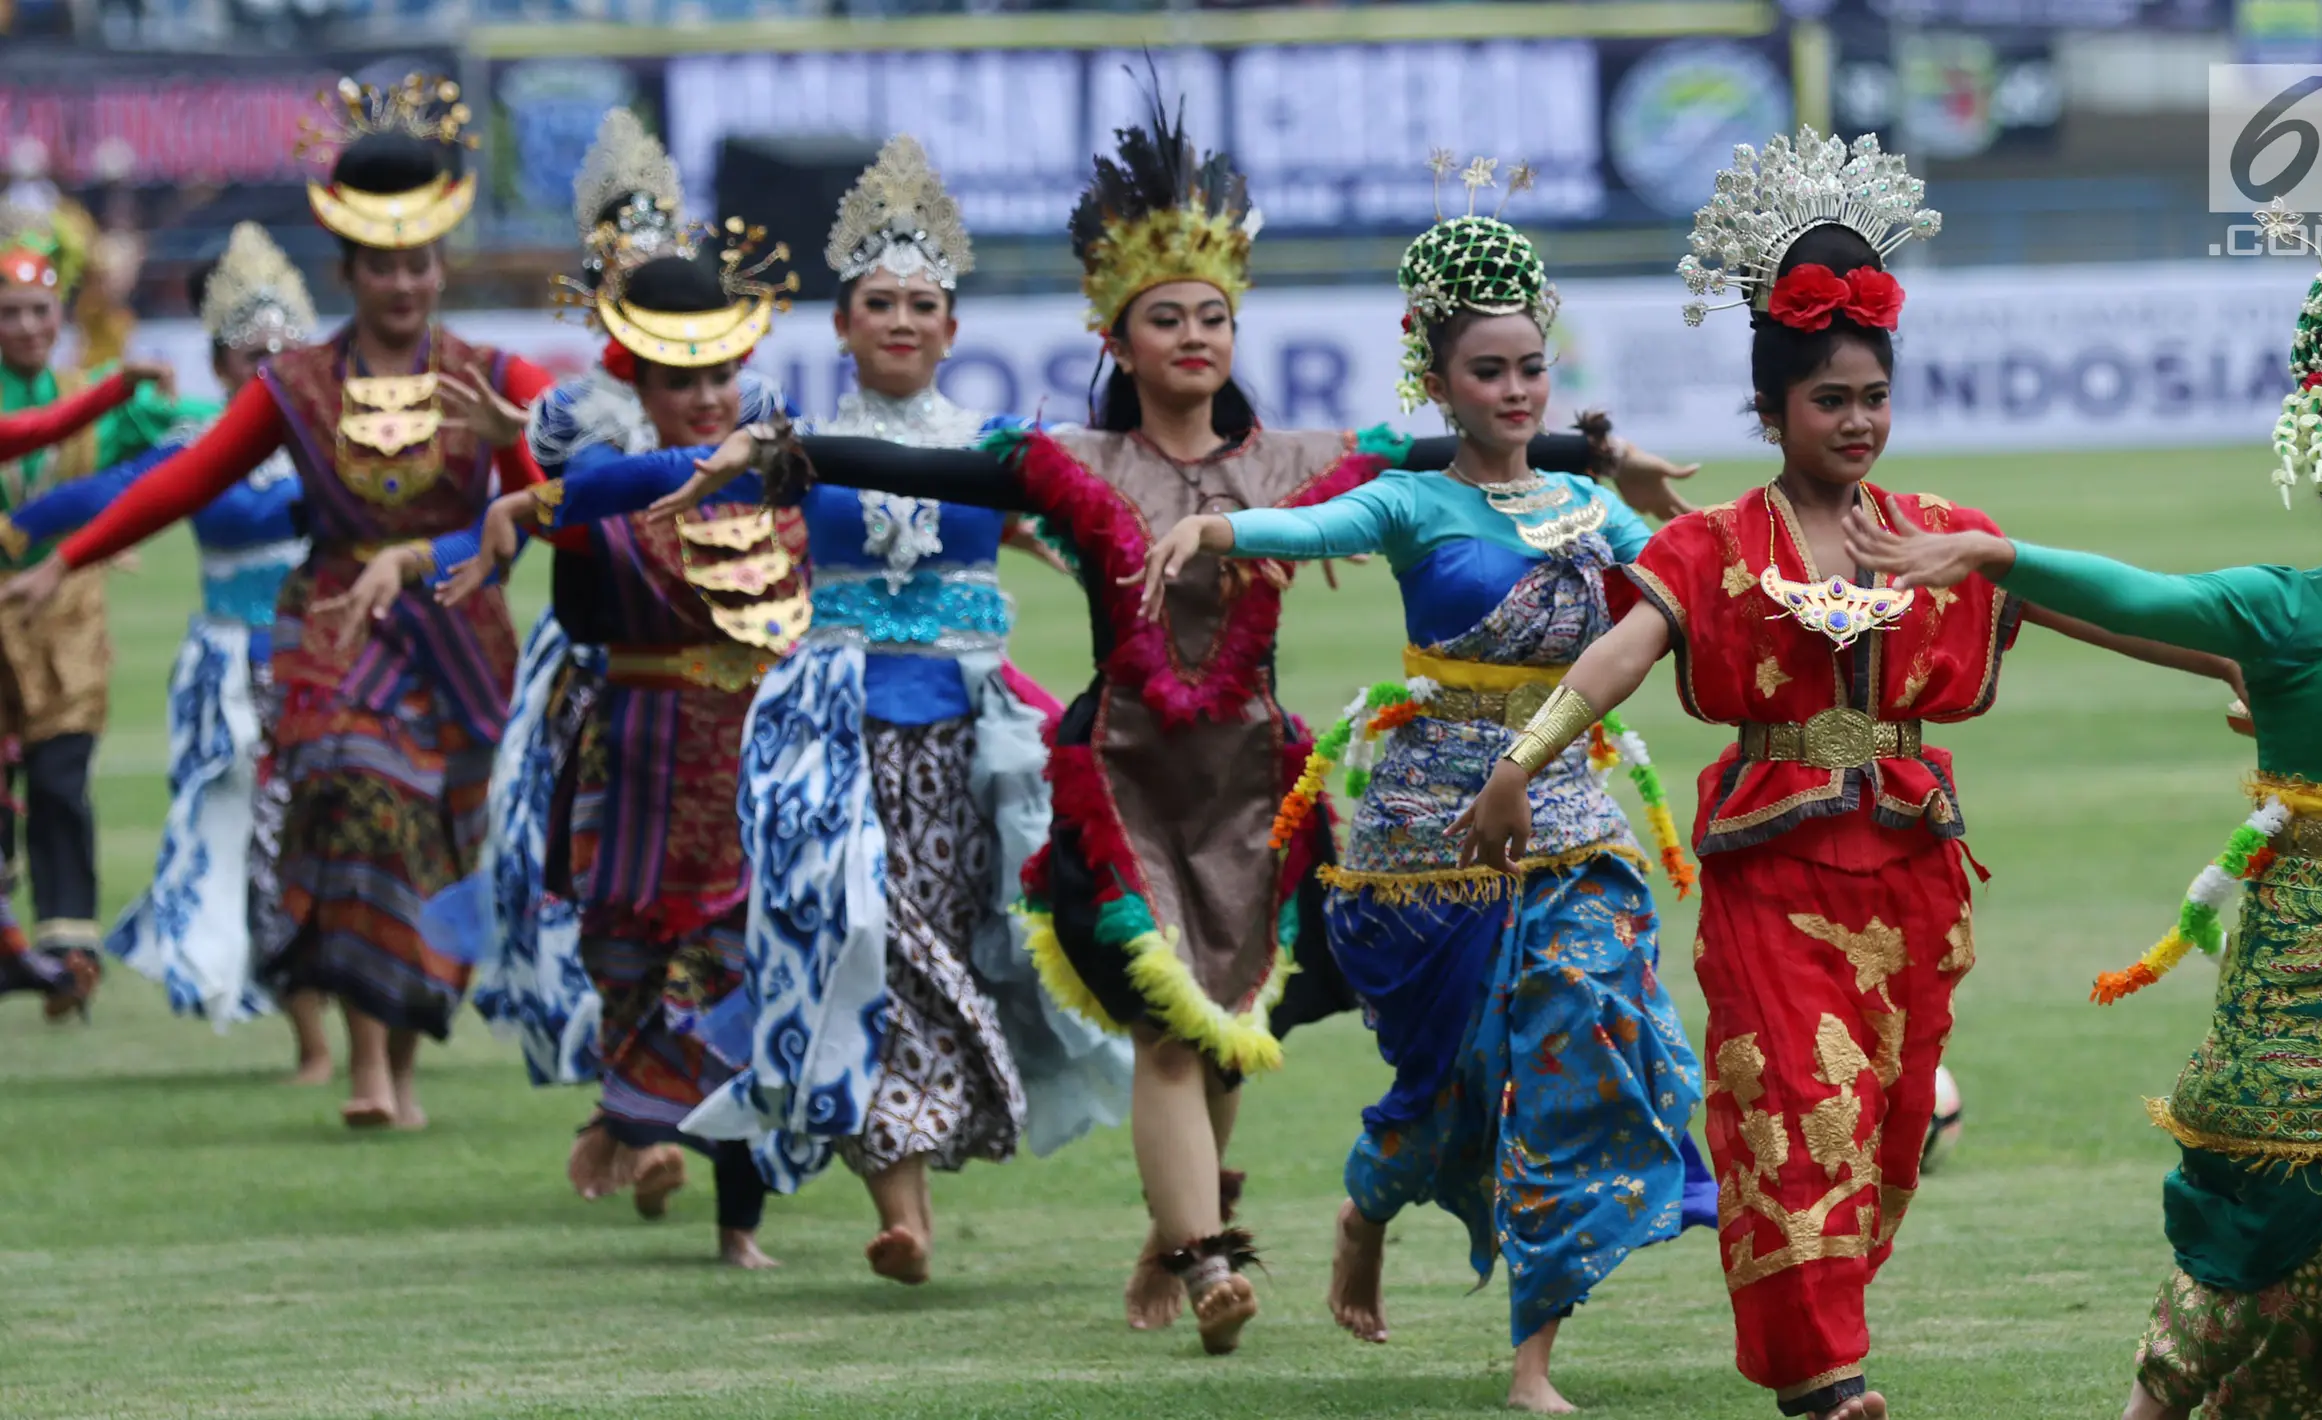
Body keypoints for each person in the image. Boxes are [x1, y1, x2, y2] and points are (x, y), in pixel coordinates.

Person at [653, 100, 1697, 1353]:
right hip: (1130, 773)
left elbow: (1469, 440)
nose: (1193, 335)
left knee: (1232, 1028)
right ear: (1119, 335)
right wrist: (787, 450)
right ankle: (1207, 1257)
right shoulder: (1071, 458)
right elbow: (928, 469)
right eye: (1166, 317)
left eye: (1212, 316)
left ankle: (1174, 1223)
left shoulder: (1301, 462)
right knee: (1166, 1023)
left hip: (1255, 782)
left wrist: (1600, 455)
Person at [1451, 129, 2242, 1420]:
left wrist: (2216, 664)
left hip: (1912, 871)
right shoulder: (1714, 545)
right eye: (1830, 400)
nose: (1858, 421)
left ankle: (1813, 1333)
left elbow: (2081, 604)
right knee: (1787, 1106)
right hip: (1772, 865)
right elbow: (1619, 651)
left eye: (1872, 395)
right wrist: (1517, 763)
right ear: (1771, 409)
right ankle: (1825, 1379)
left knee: (1877, 1126)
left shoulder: (1938, 534)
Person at [452, 134, 1133, 1285]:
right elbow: (661, 476)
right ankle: (896, 1202)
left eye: (924, 302)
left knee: (963, 942)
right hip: (834, 738)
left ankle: (898, 1143)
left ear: (954, 329)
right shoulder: (792, 447)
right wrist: (535, 498)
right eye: (880, 301)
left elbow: (1100, 532)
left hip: (975, 748)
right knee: (855, 937)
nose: (903, 320)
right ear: (843, 323)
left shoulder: (1003, 451)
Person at [1843, 199, 2322, 1420]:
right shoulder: (2282, 612)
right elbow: (2139, 593)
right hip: (2304, 1009)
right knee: (2256, 1295)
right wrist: (1991, 560)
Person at [1135, 163, 1715, 1412]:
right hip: (1429, 822)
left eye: (1529, 369)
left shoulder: (1581, 505)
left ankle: (1531, 1354)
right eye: (1486, 373)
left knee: (1578, 1033)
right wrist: (1211, 531)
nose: (1513, 392)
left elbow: (1687, 583)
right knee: (1450, 1071)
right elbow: (1303, 528)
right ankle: (1369, 1200)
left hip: (1564, 796)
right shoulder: (1409, 500)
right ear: (1438, 382)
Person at [4, 74, 558, 1130]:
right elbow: (184, 479)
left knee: (436, 844)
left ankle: (399, 1055)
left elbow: (557, 496)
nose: (406, 281)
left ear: (441, 264)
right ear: (348, 269)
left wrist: (510, 445)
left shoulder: (494, 373)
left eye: (422, 261)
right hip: (335, 629)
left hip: (457, 631)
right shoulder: (296, 385)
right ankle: (364, 1071)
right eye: (384, 265)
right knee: (353, 811)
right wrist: (69, 555)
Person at [443, 106, 792, 1215]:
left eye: (719, 373)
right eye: (678, 375)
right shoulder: (583, 446)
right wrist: (520, 496)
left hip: (746, 749)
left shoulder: (781, 459)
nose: (704, 393)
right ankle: (635, 1107)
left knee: (733, 955)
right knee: (624, 950)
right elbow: (562, 513)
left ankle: (675, 1144)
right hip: (630, 743)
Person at [2, 223, 330, 1074]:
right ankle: (310, 1038)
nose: (265, 370)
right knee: (248, 840)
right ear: (221, 366)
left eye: (280, 353)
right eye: (246, 357)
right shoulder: (201, 446)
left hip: (328, 665)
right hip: (229, 675)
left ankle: (365, 1032)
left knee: (335, 836)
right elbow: (107, 493)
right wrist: (28, 537)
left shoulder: (339, 441)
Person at [0, 190, 184, 999]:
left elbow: (175, 437)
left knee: (61, 776)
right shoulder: (67, 400)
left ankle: (69, 941)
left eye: (40, 311)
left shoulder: (94, 389)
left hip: (67, 618)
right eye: (9, 313)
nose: (27, 328)